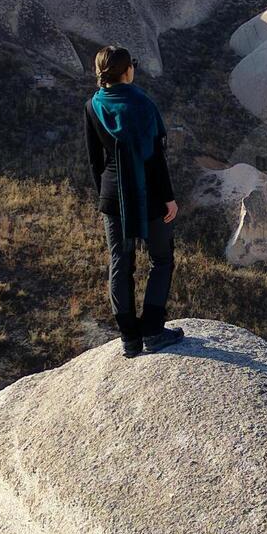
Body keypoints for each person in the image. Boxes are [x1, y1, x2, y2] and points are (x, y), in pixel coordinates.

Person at [85, 46, 179, 357]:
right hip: (150, 193)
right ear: (127, 71)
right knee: (162, 259)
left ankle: (129, 338)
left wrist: (108, 196)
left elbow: (94, 162)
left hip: (113, 196)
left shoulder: (93, 106)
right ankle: (152, 330)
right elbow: (154, 159)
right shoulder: (143, 104)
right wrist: (169, 199)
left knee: (120, 263)